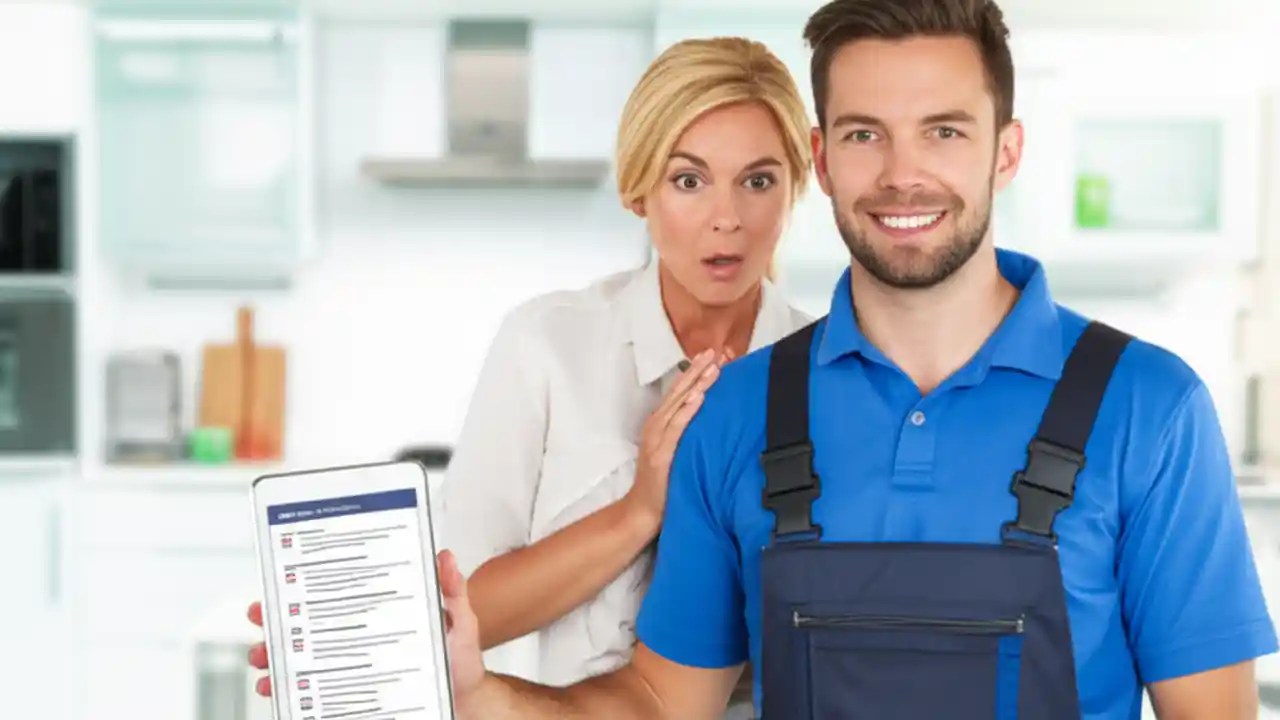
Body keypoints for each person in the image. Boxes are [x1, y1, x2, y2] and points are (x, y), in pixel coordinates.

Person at [429, 0, 1280, 718]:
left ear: (1006, 151)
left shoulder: (1149, 408)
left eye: (943, 131)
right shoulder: (740, 410)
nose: (903, 175)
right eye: (866, 134)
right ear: (826, 161)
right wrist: (480, 691)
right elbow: (658, 702)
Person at [245, 36, 815, 716]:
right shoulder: (548, 344)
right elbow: (469, 608)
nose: (727, 218)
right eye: (688, 180)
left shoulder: (824, 371)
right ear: (638, 190)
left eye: (758, 180)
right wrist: (640, 510)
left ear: (799, 182)